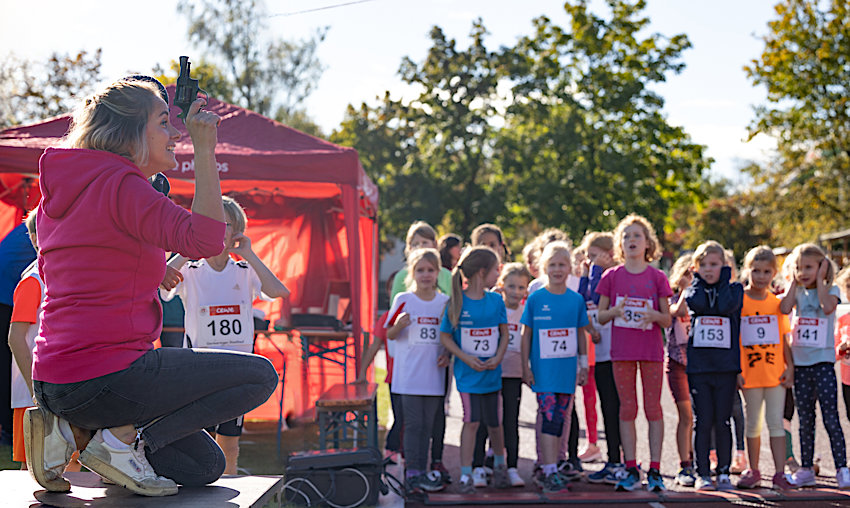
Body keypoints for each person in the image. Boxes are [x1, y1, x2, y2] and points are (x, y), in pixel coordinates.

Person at [24, 78, 278, 497]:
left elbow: (73, 267)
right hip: (110, 373)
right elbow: (206, 240)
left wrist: (150, 266)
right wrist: (204, 148)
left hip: (54, 381)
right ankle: (118, 440)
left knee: (204, 465)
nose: (175, 132)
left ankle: (71, 430)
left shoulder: (65, 190)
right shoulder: (125, 185)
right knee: (258, 376)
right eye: (164, 121)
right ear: (130, 133)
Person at [160, 195, 289, 475]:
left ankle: (231, 487)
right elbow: (162, 286)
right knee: (201, 439)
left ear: (236, 232)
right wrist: (189, 248)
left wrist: (250, 255)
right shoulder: (192, 270)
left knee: (229, 442)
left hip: (236, 370)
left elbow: (279, 292)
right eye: (212, 224)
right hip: (200, 368)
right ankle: (201, 491)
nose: (218, 230)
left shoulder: (243, 270)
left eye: (225, 225)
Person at [596, 214, 671, 492]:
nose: (631, 240)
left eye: (637, 235)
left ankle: (655, 469)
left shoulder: (658, 276)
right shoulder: (611, 277)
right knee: (627, 409)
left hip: (650, 351)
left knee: (653, 409)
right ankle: (630, 468)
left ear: (648, 243)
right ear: (619, 244)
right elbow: (602, 316)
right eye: (626, 236)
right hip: (622, 352)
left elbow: (667, 319)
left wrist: (653, 315)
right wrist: (615, 312)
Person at [439, 246, 510, 493]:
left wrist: (498, 356)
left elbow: (504, 333)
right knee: (471, 420)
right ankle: (466, 473)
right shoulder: (457, 301)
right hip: (469, 375)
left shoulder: (495, 300)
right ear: (482, 272)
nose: (498, 275)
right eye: (495, 270)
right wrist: (465, 357)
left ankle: (500, 466)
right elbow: (445, 337)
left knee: (495, 422)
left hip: (492, 372)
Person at [521, 241, 590, 493]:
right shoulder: (536, 299)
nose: (557, 269)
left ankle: (551, 466)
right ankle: (548, 469)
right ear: (543, 267)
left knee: (560, 420)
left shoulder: (576, 300)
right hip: (544, 372)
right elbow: (525, 334)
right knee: (549, 418)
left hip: (567, 372)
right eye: (552, 264)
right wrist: (525, 366)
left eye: (562, 264)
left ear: (570, 268)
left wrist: (583, 365)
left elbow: (581, 334)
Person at [780, 243, 849, 488]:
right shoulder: (796, 292)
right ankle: (806, 468)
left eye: (808, 267)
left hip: (823, 364)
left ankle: (842, 467)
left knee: (831, 417)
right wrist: (791, 282)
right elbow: (784, 308)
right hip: (801, 366)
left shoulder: (832, 289)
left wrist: (821, 280)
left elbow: (828, 307)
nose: (803, 272)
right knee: (805, 418)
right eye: (799, 268)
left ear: (821, 267)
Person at [678, 241, 743, 491]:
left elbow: (727, 305)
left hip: (726, 368)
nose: (708, 269)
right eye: (703, 265)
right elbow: (697, 305)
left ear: (724, 267)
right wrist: (698, 280)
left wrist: (724, 278)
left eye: (714, 265)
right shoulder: (694, 290)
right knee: (703, 421)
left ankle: (724, 470)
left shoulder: (735, 289)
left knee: (723, 420)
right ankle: (702, 472)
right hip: (700, 369)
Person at [385, 248, 450, 493]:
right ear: (412, 273)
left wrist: (447, 353)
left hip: (434, 376)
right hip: (409, 376)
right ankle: (412, 471)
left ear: (438, 273)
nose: (425, 275)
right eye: (420, 270)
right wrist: (398, 325)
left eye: (430, 270)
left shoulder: (444, 302)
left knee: (428, 424)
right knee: (413, 424)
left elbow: (448, 336)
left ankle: (423, 470)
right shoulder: (403, 299)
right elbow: (389, 334)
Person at [735, 246, 795, 490]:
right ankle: (754, 469)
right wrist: (736, 370)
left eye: (766, 271)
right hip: (749, 374)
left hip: (775, 374)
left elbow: (784, 339)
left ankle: (780, 473)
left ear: (774, 273)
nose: (760, 276)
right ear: (747, 271)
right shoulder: (739, 300)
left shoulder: (776, 304)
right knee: (753, 424)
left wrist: (790, 366)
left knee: (776, 423)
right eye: (756, 271)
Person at [581, 232, 624, 485]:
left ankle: (621, 459)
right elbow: (582, 298)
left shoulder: (614, 276)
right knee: (606, 406)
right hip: (597, 351)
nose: (590, 261)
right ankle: (612, 460)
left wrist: (596, 270)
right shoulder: (591, 275)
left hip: (615, 352)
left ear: (610, 255)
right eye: (588, 256)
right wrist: (586, 273)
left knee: (617, 407)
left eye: (594, 256)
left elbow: (598, 296)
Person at [355, 273, 403, 464]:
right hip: (396, 379)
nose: (396, 291)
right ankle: (391, 453)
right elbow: (374, 347)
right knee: (401, 417)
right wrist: (361, 374)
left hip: (420, 378)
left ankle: (411, 457)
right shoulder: (386, 318)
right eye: (392, 288)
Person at [8, 209, 42, 470]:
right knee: (33, 468)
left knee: (67, 464)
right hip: (33, 397)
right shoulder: (33, 280)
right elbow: (16, 338)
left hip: (57, 390)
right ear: (33, 238)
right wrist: (35, 391)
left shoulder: (61, 275)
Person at [0, 222, 38, 443]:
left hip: (7, 291)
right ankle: (8, 429)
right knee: (8, 364)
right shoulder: (49, 221)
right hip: (5, 294)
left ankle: (7, 428)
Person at [497, 262, 531, 487]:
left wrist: (527, 370)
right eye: (511, 286)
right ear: (502, 286)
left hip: (514, 375)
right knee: (488, 420)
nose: (516, 292)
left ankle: (512, 468)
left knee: (511, 421)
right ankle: (481, 465)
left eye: (520, 287)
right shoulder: (495, 308)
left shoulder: (526, 312)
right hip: (492, 373)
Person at [665, 253, 696, 487]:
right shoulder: (673, 298)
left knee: (705, 417)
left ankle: (702, 460)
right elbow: (676, 312)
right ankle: (684, 464)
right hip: (677, 364)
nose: (691, 278)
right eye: (687, 273)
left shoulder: (707, 299)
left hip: (700, 366)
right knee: (686, 416)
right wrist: (686, 289)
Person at [391, 222, 452, 302]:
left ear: (434, 244)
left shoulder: (447, 275)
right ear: (409, 248)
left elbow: (452, 304)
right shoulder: (401, 276)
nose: (420, 247)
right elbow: (395, 307)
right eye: (415, 244)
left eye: (424, 242)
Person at [835, 266, 850, 423]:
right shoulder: (842, 319)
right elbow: (834, 352)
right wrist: (841, 349)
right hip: (847, 379)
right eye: (849, 286)